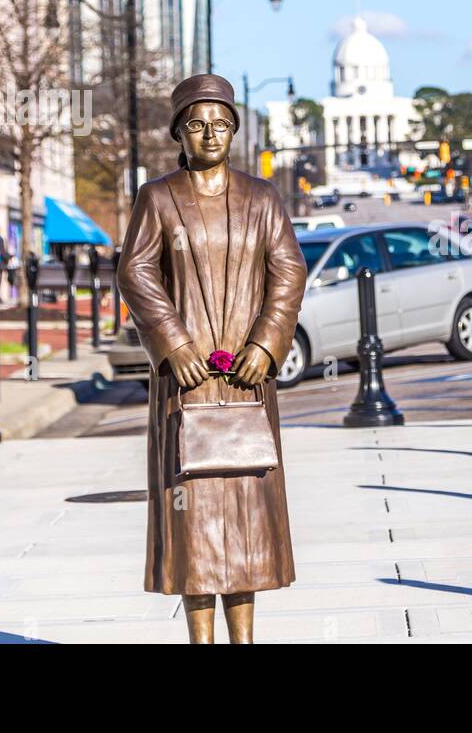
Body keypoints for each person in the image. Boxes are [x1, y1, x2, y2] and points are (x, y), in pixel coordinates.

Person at [116, 74, 307, 644]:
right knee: (192, 518)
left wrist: (267, 343)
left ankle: (243, 638)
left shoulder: (262, 197)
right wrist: (172, 343)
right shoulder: (158, 197)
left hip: (247, 383)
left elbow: (288, 271)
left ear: (234, 130)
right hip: (187, 385)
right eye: (197, 124)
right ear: (179, 132)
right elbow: (135, 270)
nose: (210, 134)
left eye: (221, 123)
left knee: (248, 515)